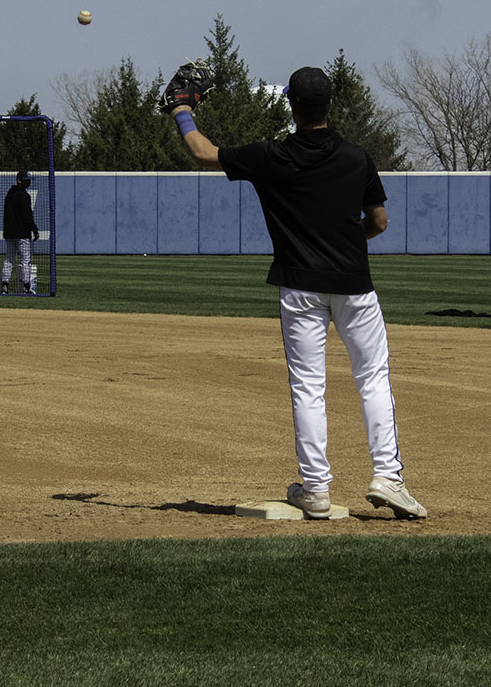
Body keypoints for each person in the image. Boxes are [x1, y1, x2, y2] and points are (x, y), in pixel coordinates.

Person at [169, 66, 426, 520]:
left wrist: (182, 109)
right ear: (330, 105)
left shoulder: (273, 156)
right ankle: (388, 476)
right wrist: (346, 241)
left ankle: (316, 490)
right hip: (354, 287)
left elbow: (203, 153)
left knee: (308, 387)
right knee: (373, 379)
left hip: (300, 287)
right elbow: (380, 222)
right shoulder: (356, 157)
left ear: (291, 105)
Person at [1, 169, 40, 294]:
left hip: (10, 233)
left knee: (9, 259)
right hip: (22, 233)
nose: (28, 183)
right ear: (19, 181)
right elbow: (27, 216)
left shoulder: (9, 194)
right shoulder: (24, 195)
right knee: (25, 260)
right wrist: (34, 230)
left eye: (28, 181)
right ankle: (26, 286)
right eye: (26, 180)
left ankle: (4, 286)